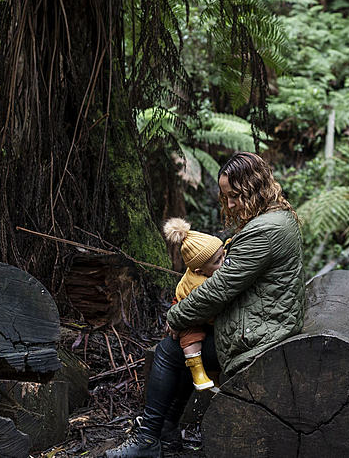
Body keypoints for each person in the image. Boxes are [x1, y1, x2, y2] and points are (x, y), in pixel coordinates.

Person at [105, 151, 306, 458]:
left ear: (254, 187)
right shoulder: (276, 217)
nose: (230, 205)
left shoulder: (266, 230)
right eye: (226, 198)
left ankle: (149, 437)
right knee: (187, 344)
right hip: (270, 318)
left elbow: (221, 287)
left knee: (170, 351)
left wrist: (177, 314)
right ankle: (166, 433)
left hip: (264, 331)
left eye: (235, 196)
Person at [161, 217, 225, 390]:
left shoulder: (209, 272)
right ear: (199, 270)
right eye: (217, 261)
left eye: (223, 254)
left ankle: (213, 376)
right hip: (185, 307)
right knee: (191, 336)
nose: (224, 262)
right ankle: (197, 371)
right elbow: (204, 309)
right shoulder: (199, 284)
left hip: (201, 312)